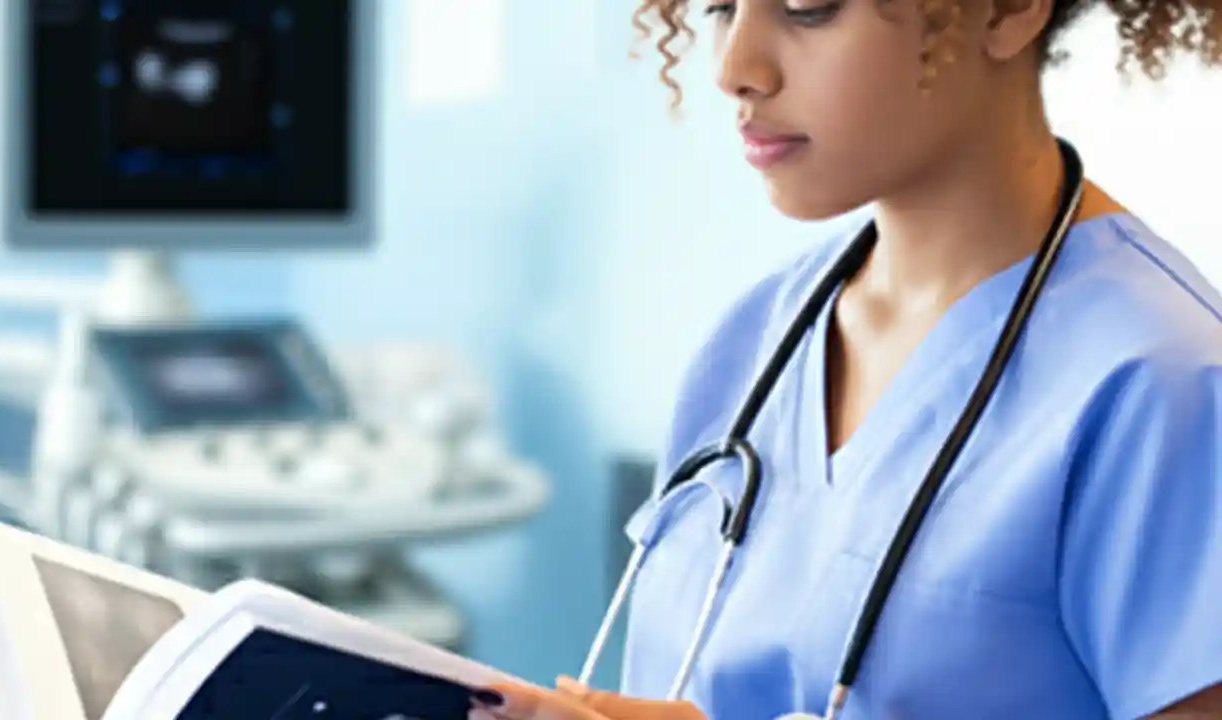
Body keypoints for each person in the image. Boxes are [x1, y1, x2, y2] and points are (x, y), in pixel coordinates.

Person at [471, 0, 1222, 716]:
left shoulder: (1162, 379)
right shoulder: (758, 336)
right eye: (721, 10)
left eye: (809, 8)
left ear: (1005, 9)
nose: (735, 68)